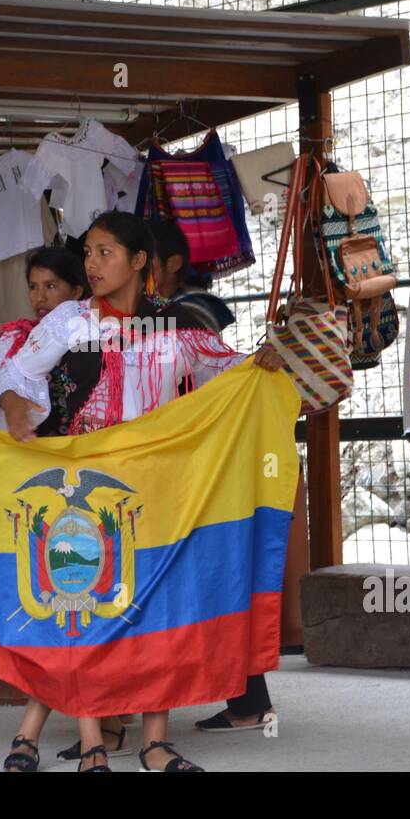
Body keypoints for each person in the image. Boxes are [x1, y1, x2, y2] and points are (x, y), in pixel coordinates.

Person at [0, 211, 284, 771]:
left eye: (105, 253)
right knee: (82, 600)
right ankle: (93, 741)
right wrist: (12, 406)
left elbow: (230, 374)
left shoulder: (177, 324)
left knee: (154, 609)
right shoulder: (72, 321)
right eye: (89, 254)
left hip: (157, 486)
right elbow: (15, 375)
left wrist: (260, 364)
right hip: (85, 486)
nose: (92, 264)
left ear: (139, 260)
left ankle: (154, 744)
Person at [0, 246, 132, 771]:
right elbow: (3, 393)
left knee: (77, 604)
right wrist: (14, 410)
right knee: (68, 602)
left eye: (53, 287)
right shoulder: (36, 335)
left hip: (113, 484)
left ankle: (44, 734)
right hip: (53, 486)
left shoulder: (132, 325)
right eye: (34, 287)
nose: (41, 297)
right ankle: (85, 739)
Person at [146, 219, 279, 735]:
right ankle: (246, 699)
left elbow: (221, 371)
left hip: (195, 460)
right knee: (210, 578)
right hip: (185, 459)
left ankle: (244, 699)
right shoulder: (151, 318)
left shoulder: (186, 314)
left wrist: (254, 368)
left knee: (206, 578)